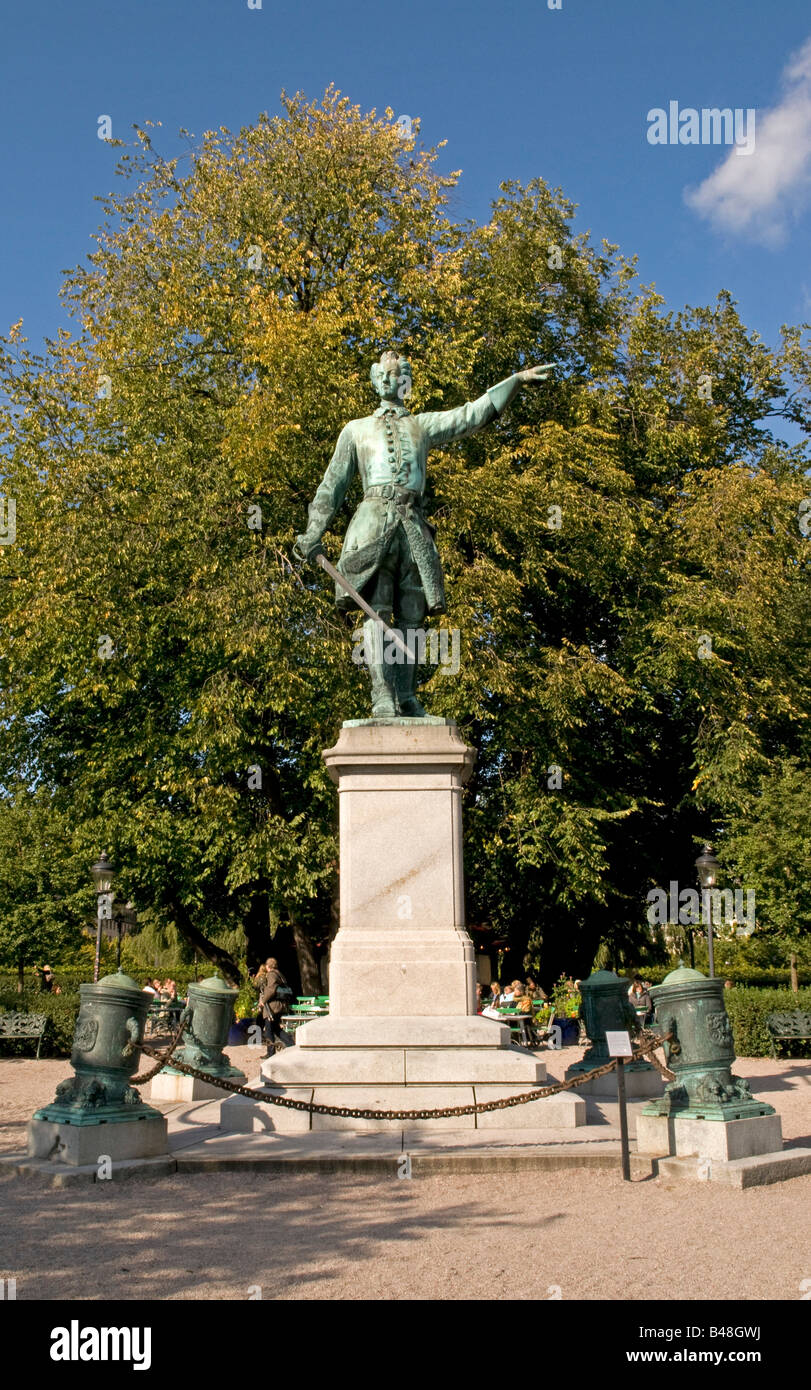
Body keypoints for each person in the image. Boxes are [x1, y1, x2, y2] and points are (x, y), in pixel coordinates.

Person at [296, 350, 555, 717]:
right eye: (383, 375)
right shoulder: (355, 430)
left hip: (413, 527)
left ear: (405, 381)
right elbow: (332, 485)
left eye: (397, 375)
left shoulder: (422, 425)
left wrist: (514, 382)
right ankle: (382, 697)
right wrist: (313, 531)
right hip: (372, 525)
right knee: (377, 613)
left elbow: (471, 415)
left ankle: (406, 695)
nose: (389, 381)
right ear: (374, 380)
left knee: (413, 614)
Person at [258, 957, 294, 1054]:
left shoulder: (271, 975)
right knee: (276, 1028)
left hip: (273, 1007)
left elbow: (271, 989)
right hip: (280, 1005)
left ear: (267, 966)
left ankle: (271, 1053)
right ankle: (291, 1044)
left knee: (269, 1030)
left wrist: (263, 1000)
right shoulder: (280, 974)